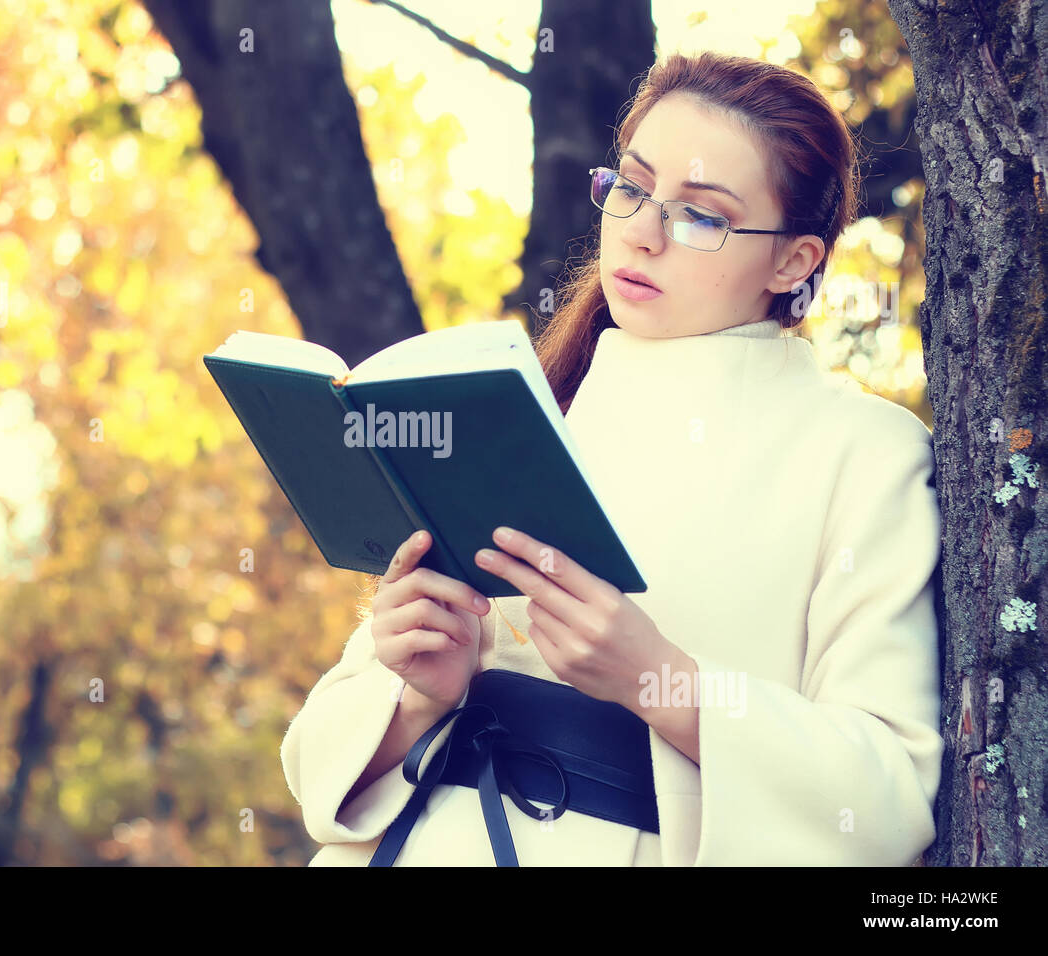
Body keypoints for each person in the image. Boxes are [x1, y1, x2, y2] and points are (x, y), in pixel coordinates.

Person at [280, 49, 943, 866]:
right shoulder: (517, 413)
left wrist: (659, 679)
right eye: (631, 186)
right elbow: (313, 770)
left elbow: (885, 799)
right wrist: (416, 692)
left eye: (702, 216)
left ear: (794, 261)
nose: (641, 233)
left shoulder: (864, 453)